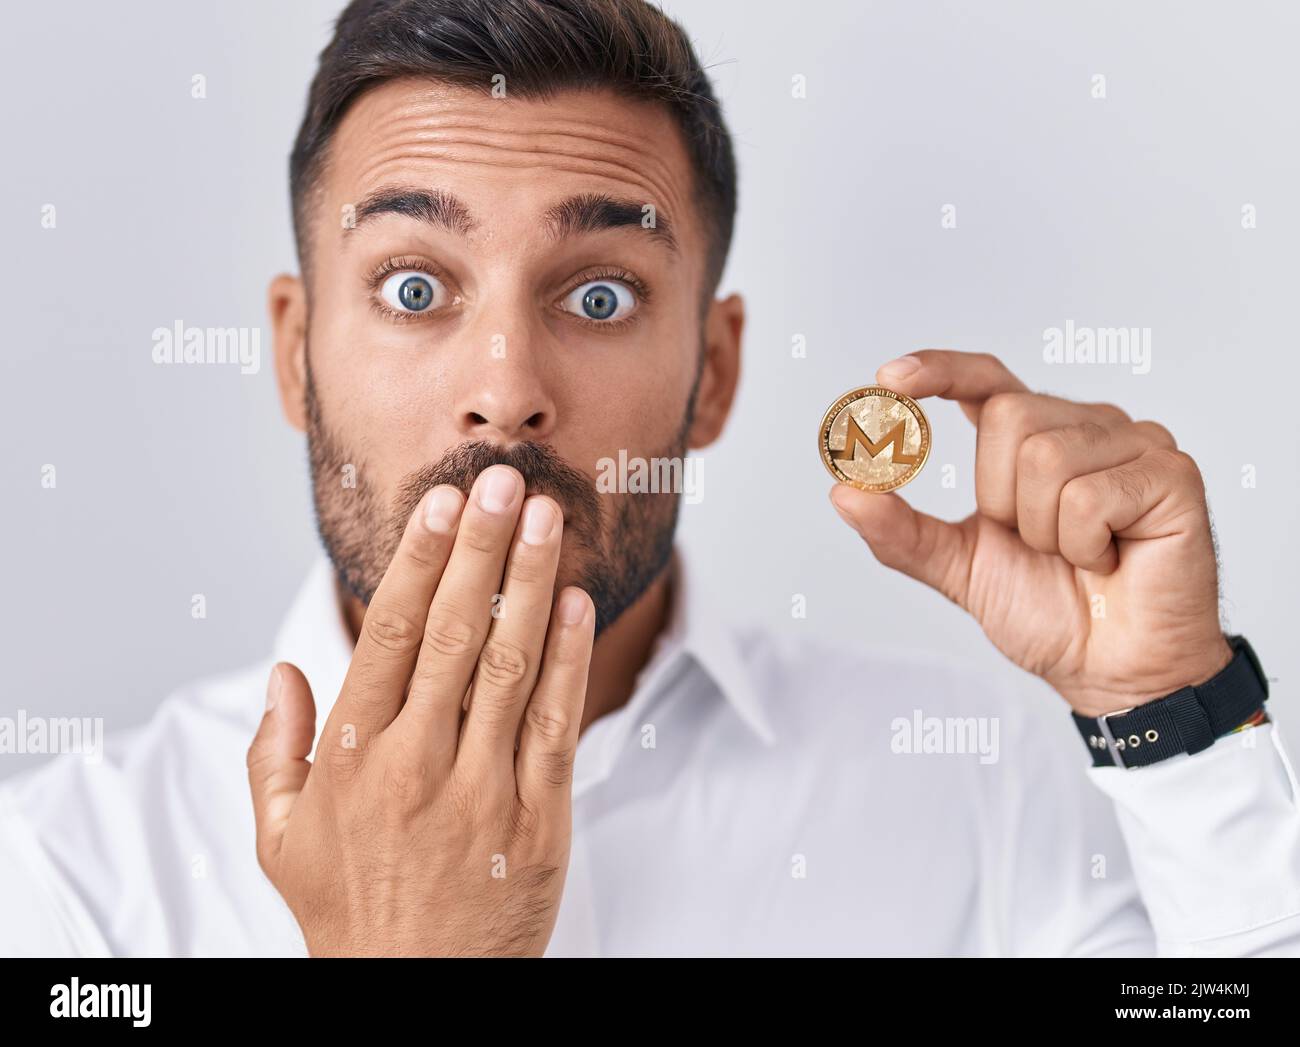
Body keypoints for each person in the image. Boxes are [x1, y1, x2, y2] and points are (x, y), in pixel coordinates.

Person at [1, 0, 1296, 957]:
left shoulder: (983, 794)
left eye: (603, 293)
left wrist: (1171, 714)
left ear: (716, 372)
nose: (506, 387)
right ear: (295, 355)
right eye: (414, 289)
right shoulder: (69, 878)